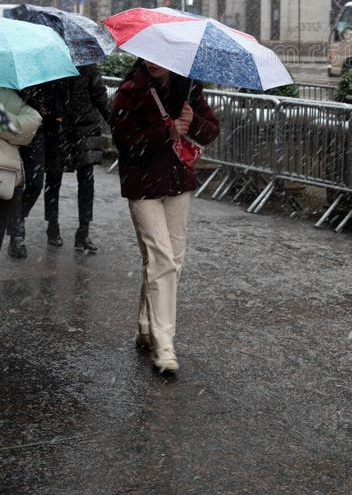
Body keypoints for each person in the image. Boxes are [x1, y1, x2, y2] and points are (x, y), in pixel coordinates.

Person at [111, 59, 219, 373]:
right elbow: (124, 143)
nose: (154, 63)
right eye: (149, 57)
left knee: (172, 261)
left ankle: (147, 328)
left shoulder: (188, 88)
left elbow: (211, 130)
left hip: (177, 183)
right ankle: (164, 344)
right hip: (143, 186)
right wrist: (165, 132)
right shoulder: (130, 91)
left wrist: (192, 122)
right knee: (161, 260)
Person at [11, 66, 110, 256]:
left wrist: (115, 123)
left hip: (85, 128)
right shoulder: (51, 66)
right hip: (57, 129)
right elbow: (40, 96)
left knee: (86, 181)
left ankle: (83, 231)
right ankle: (52, 225)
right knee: (53, 179)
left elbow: (100, 96)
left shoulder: (88, 67)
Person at [0, 89, 42, 252]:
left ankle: (16, 229)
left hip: (5, 170)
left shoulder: (8, 95)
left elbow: (33, 120)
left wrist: (2, 118)